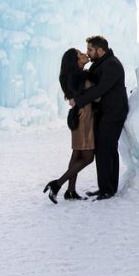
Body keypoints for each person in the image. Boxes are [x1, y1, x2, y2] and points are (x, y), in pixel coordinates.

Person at [69, 35, 128, 200]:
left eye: (90, 49)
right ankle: (106, 187)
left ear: (100, 50)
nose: (88, 53)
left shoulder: (112, 65)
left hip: (114, 112)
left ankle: (107, 190)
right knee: (106, 149)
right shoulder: (101, 63)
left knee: (105, 149)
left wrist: (78, 101)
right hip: (105, 112)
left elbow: (100, 89)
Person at [43, 48, 96, 204]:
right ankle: (57, 184)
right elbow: (96, 95)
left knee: (77, 154)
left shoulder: (73, 78)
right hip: (85, 116)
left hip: (78, 114)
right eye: (80, 54)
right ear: (75, 61)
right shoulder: (81, 77)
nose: (84, 55)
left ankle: (70, 191)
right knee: (88, 157)